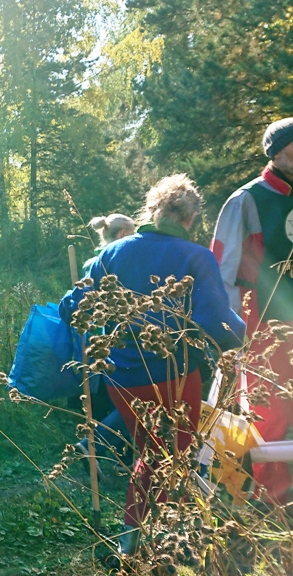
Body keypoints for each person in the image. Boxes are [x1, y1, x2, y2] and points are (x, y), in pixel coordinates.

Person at [60, 175, 245, 555]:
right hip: (173, 375)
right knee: (169, 458)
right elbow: (217, 321)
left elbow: (71, 307)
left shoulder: (112, 253)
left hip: (120, 376)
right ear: (191, 218)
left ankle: (148, 538)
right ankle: (141, 544)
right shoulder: (196, 256)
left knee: (152, 453)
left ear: (152, 210)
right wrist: (249, 337)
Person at [211, 117, 293, 507]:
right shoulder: (247, 199)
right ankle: (270, 500)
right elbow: (222, 266)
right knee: (268, 412)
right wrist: (230, 328)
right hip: (265, 324)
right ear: (277, 152)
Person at [76, 213, 136, 475]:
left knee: (121, 400)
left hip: (99, 340)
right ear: (123, 234)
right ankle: (93, 443)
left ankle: (125, 457)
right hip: (121, 338)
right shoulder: (118, 259)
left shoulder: (93, 260)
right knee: (131, 403)